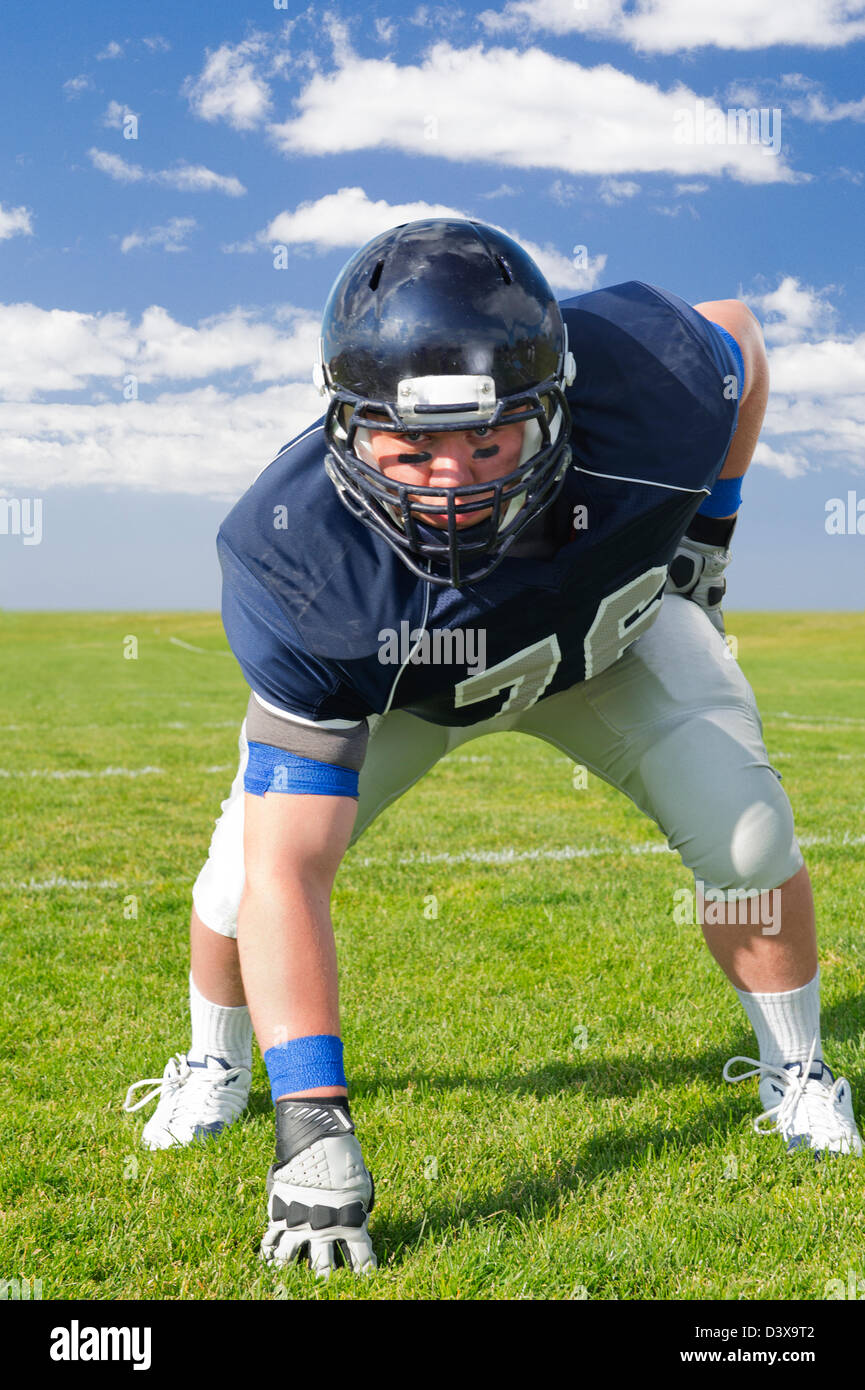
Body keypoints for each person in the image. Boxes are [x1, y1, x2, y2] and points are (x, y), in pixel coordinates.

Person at [123, 218, 861, 1278]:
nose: (450, 483)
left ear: (554, 403)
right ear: (346, 425)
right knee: (244, 884)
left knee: (749, 839)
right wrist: (315, 1116)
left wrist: (709, 535)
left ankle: (798, 1072)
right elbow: (292, 869)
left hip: (606, 648)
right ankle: (217, 1065)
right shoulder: (298, 558)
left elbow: (736, 335)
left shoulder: (648, 384)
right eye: (411, 450)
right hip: (412, 696)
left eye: (486, 444)